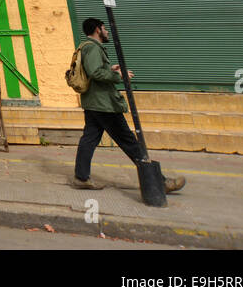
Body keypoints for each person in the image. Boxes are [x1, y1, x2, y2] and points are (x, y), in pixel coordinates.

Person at [72, 17, 184, 193]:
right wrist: (119, 76)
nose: (107, 31)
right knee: (130, 141)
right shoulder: (93, 48)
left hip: (94, 103)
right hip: (104, 104)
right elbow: (94, 73)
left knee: (89, 139)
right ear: (97, 30)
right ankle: (158, 182)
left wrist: (110, 70)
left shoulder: (88, 47)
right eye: (104, 28)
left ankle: (81, 177)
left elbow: (95, 71)